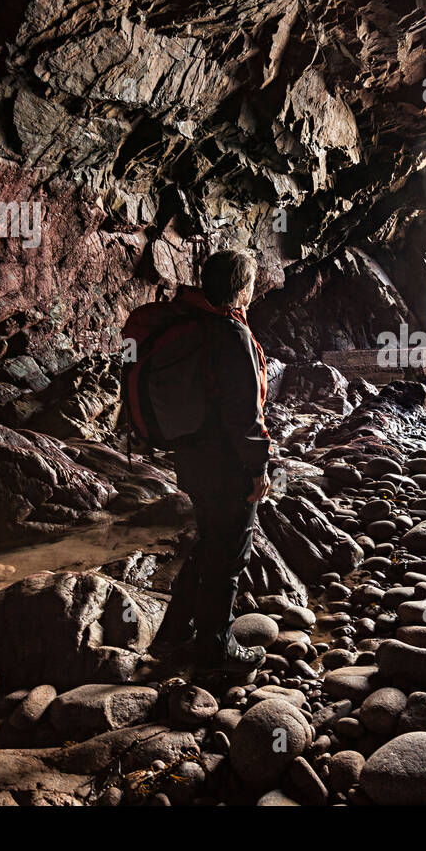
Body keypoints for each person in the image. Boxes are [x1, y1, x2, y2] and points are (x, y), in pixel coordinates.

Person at [153, 249, 272, 673]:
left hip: (193, 460)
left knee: (209, 544)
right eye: (251, 283)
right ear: (241, 288)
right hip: (227, 465)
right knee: (230, 556)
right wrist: (259, 468)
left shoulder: (196, 328)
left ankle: (173, 635)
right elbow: (244, 415)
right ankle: (217, 650)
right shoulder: (229, 333)